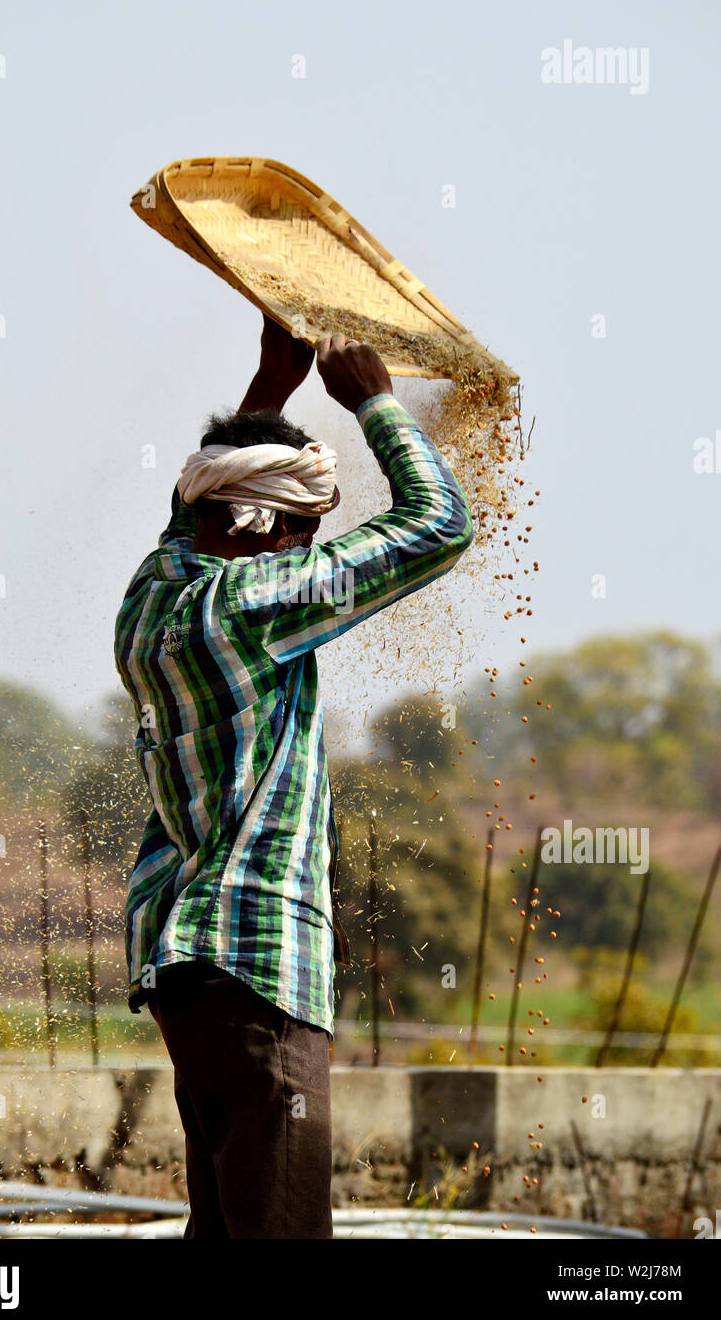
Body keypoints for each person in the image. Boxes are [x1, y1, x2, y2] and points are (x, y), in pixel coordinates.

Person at [114, 316, 474, 1238]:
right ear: (261, 528)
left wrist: (267, 390)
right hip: (256, 968)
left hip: (191, 968)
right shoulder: (251, 602)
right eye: (304, 531)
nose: (306, 550)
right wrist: (375, 405)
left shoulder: (151, 594)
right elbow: (437, 525)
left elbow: (198, 499)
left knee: (228, 1225)